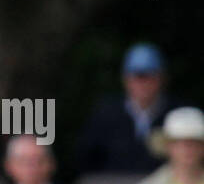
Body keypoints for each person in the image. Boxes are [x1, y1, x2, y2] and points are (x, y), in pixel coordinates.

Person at [76, 44, 184, 175]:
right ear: (125, 79)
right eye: (138, 76)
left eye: (150, 76)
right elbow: (86, 159)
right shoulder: (106, 113)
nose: (143, 83)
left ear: (162, 78)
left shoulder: (179, 113)